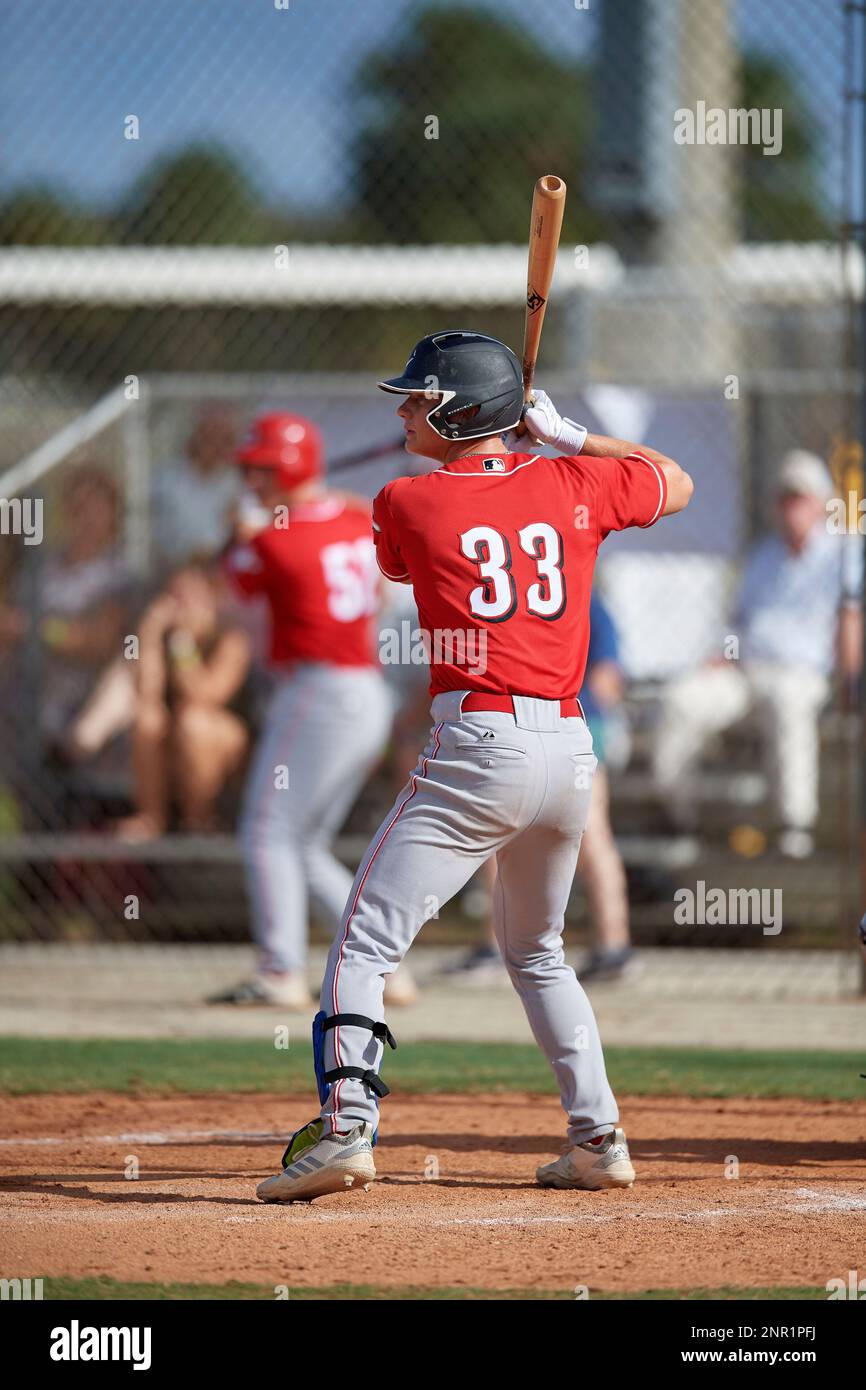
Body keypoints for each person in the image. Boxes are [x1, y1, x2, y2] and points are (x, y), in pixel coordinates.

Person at [255, 329, 692, 1204]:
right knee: (537, 953)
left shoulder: (404, 500)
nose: (407, 409)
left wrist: (516, 459)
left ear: (459, 411)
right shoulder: (576, 481)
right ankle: (597, 1135)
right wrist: (569, 442)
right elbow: (676, 481)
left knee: (364, 942)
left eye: (420, 398)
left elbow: (401, 553)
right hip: (569, 754)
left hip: (479, 748)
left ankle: (345, 1128)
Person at [209, 412, 394, 1011]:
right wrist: (264, 524)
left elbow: (234, 588)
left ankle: (279, 970)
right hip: (366, 694)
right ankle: (386, 969)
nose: (254, 481)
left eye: (264, 470)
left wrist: (243, 535)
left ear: (288, 468)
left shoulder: (271, 538)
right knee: (305, 844)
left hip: (316, 690)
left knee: (266, 831)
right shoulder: (356, 513)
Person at [652, 450, 863, 859]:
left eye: (800, 497)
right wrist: (722, 653)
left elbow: (850, 620)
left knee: (787, 701)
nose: (791, 506)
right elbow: (739, 623)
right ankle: (679, 817)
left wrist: (849, 683)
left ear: (820, 502)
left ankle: (794, 828)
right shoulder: (763, 556)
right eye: (785, 497)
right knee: (681, 699)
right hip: (746, 671)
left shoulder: (842, 553)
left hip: (803, 674)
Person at [447, 590, 635, 985]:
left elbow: (607, 678)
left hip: (567, 721)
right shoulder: (554, 589)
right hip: (549, 723)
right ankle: (502, 946)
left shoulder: (579, 597)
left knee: (586, 833)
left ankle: (611, 946)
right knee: (511, 832)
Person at [113, 564, 253, 841]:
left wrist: (182, 645)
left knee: (193, 721)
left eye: (190, 598)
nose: (180, 607)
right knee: (147, 718)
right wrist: (150, 634)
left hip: (220, 743)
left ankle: (198, 821)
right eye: (174, 598)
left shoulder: (231, 640)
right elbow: (146, 694)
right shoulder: (165, 638)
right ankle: (151, 818)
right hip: (174, 744)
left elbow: (204, 697)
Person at [151, 403, 241, 566]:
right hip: (171, 567)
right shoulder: (166, 477)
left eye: (225, 438)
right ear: (195, 435)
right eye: (209, 436)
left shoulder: (239, 482)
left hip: (221, 570)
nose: (216, 446)